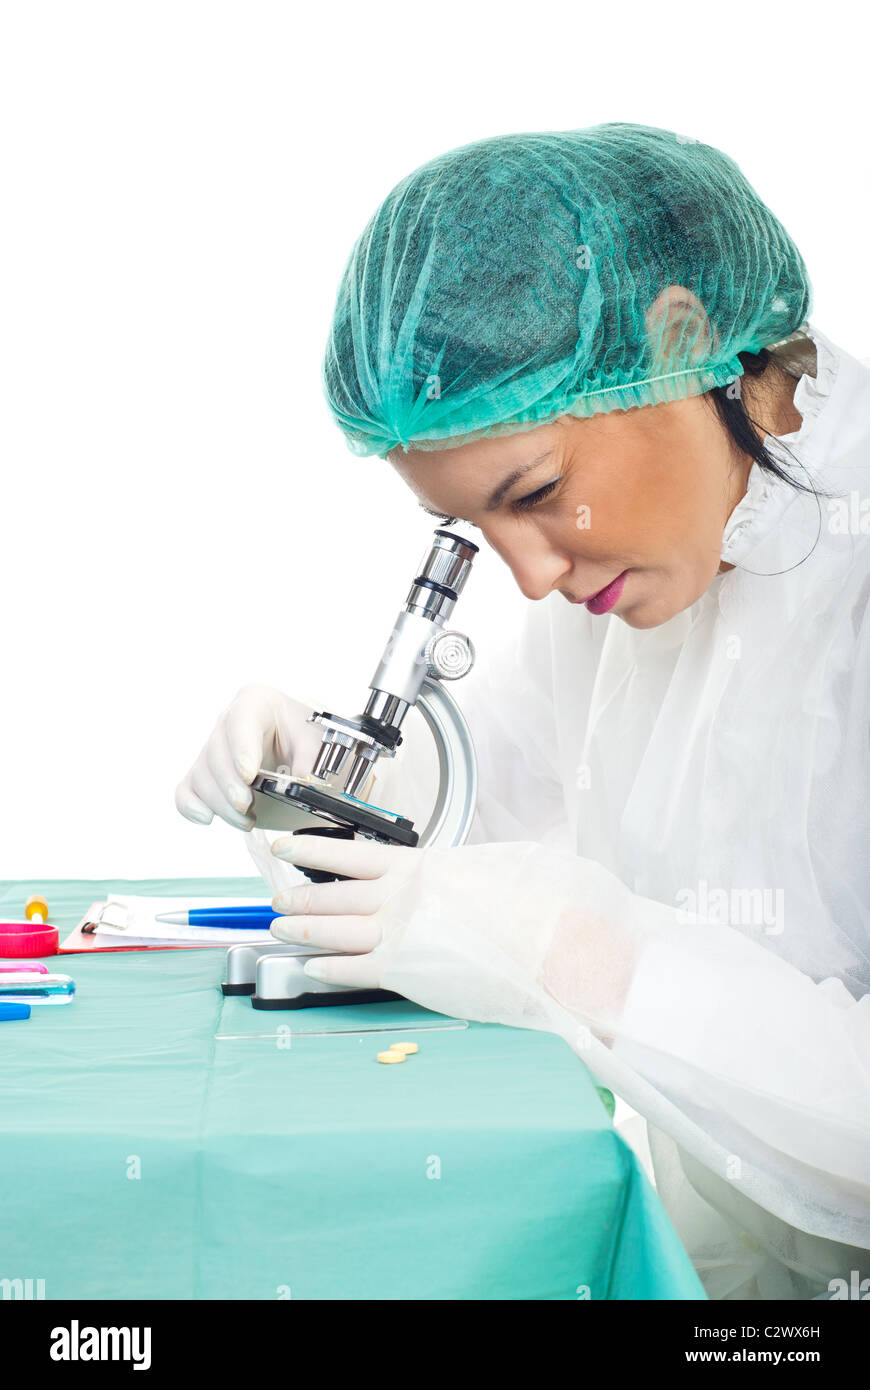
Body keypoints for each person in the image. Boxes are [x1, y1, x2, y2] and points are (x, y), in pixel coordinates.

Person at [176, 124, 870, 1300]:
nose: (537, 577)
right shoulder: (639, 585)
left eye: (540, 495)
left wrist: (590, 960)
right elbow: (484, 798)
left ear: (685, 343)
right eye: (484, 535)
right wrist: (331, 779)